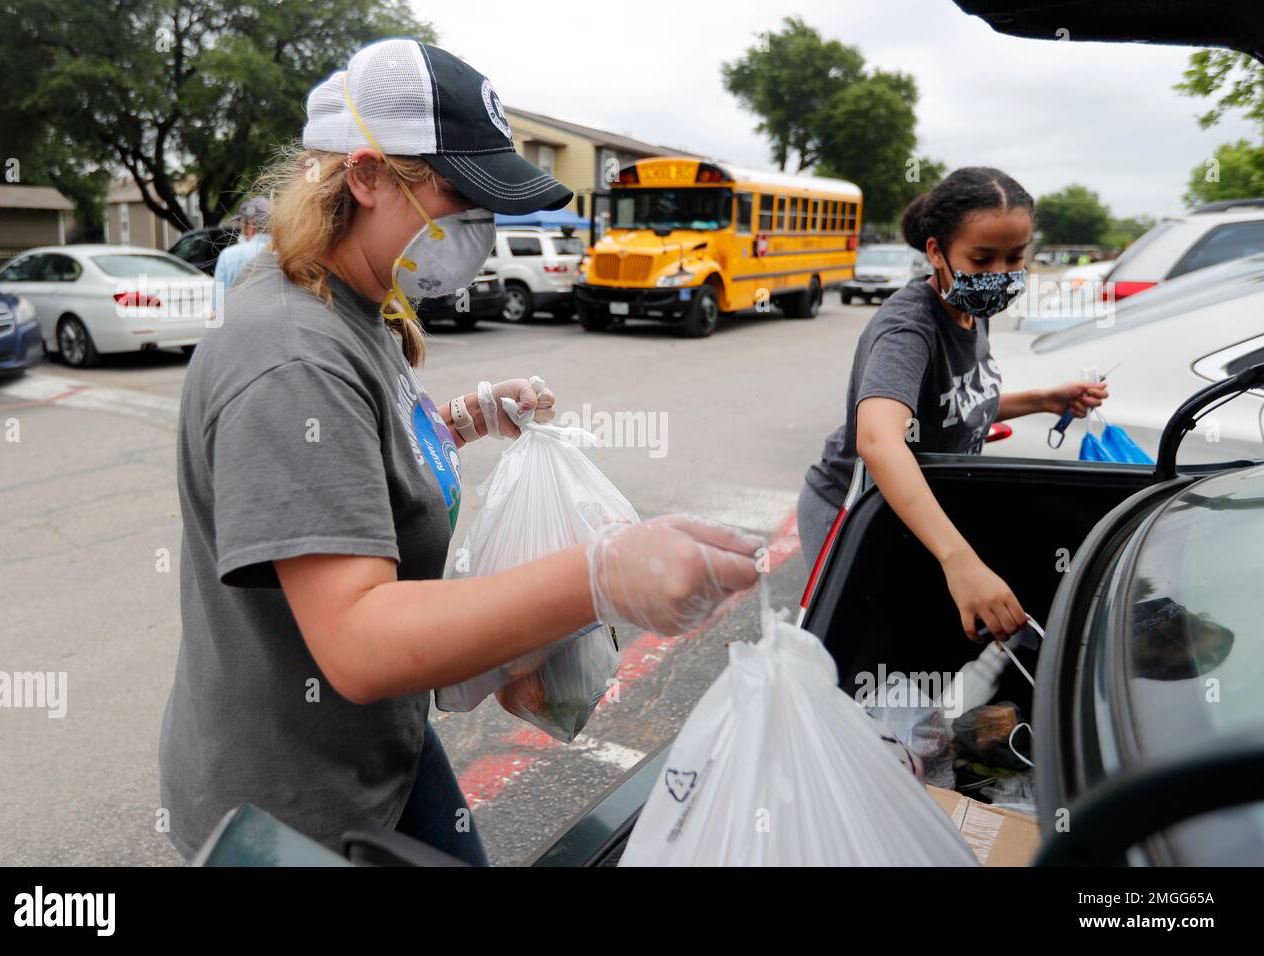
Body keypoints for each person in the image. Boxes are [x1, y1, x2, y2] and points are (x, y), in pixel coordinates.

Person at [159, 37, 761, 865]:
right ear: (365, 176)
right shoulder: (290, 352)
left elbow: (347, 463)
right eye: (459, 197)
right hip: (298, 812)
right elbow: (362, 640)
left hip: (379, 754)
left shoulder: (352, 306)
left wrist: (464, 421)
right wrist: (600, 574)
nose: (477, 227)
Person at [797, 167, 1108, 641]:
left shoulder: (971, 311)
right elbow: (879, 440)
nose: (999, 275)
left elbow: (958, 405)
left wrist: (1044, 400)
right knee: (870, 654)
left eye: (1014, 257)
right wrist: (958, 560)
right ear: (936, 252)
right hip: (857, 511)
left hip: (916, 510)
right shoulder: (908, 329)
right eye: (982, 259)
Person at [213, 196, 272, 290]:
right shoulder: (286, 253)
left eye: (241, 224)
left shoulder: (228, 256)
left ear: (251, 226)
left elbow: (217, 300)